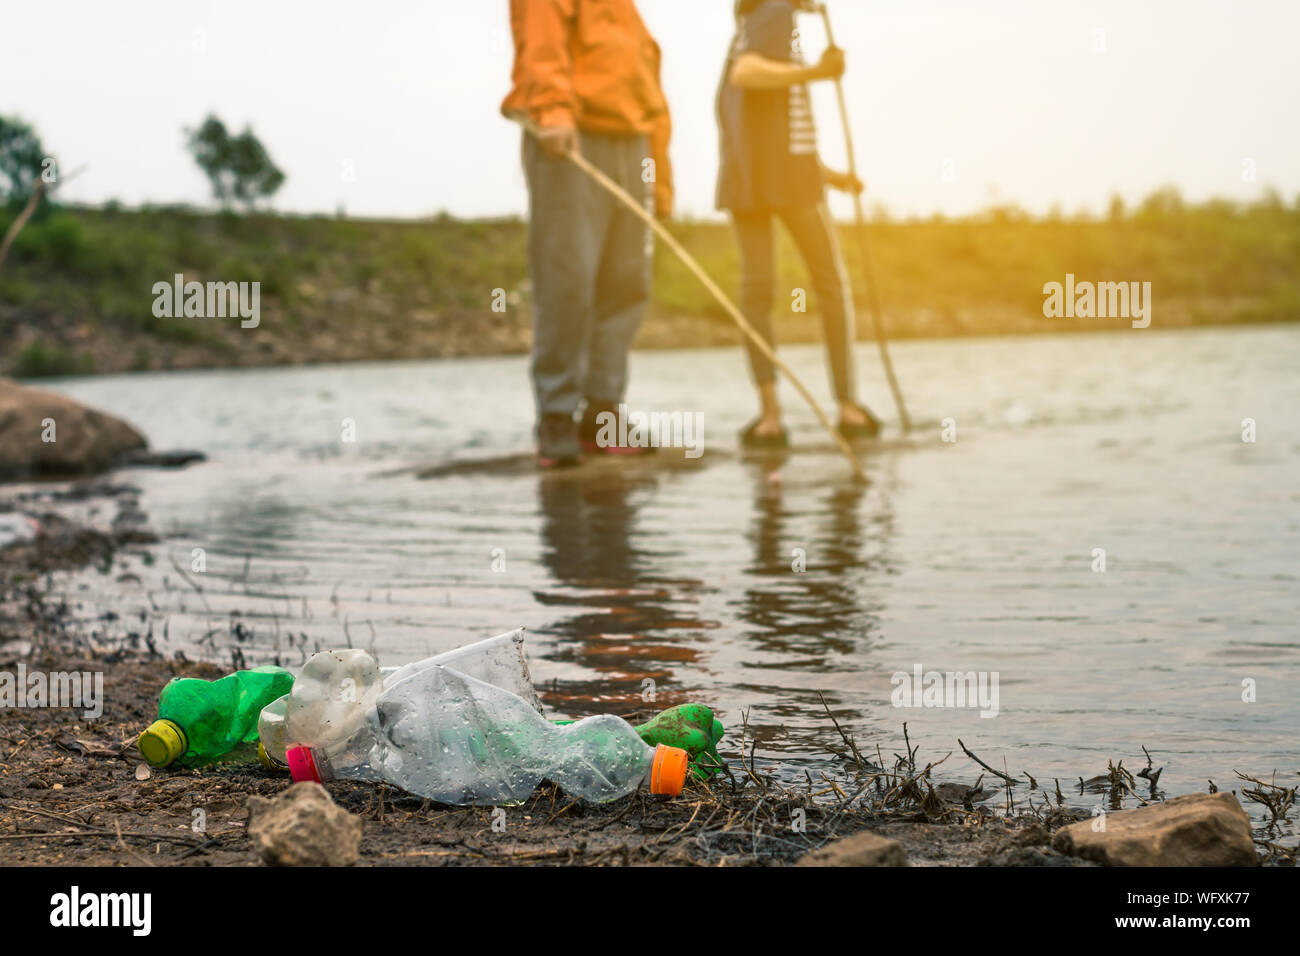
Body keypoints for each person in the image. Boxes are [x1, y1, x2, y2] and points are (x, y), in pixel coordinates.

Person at [502, 0, 673, 467]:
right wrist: (553, 110)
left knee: (627, 282)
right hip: (572, 140)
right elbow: (542, 41)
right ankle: (556, 413)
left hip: (631, 144)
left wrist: (659, 179)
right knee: (568, 279)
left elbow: (651, 92)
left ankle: (602, 415)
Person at [717, 0, 881, 447]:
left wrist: (829, 175)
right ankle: (847, 406)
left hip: (752, 177)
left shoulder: (750, 26)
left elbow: (769, 127)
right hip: (784, 180)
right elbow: (747, 75)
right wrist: (817, 73)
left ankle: (770, 417)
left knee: (758, 290)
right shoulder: (774, 16)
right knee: (829, 283)